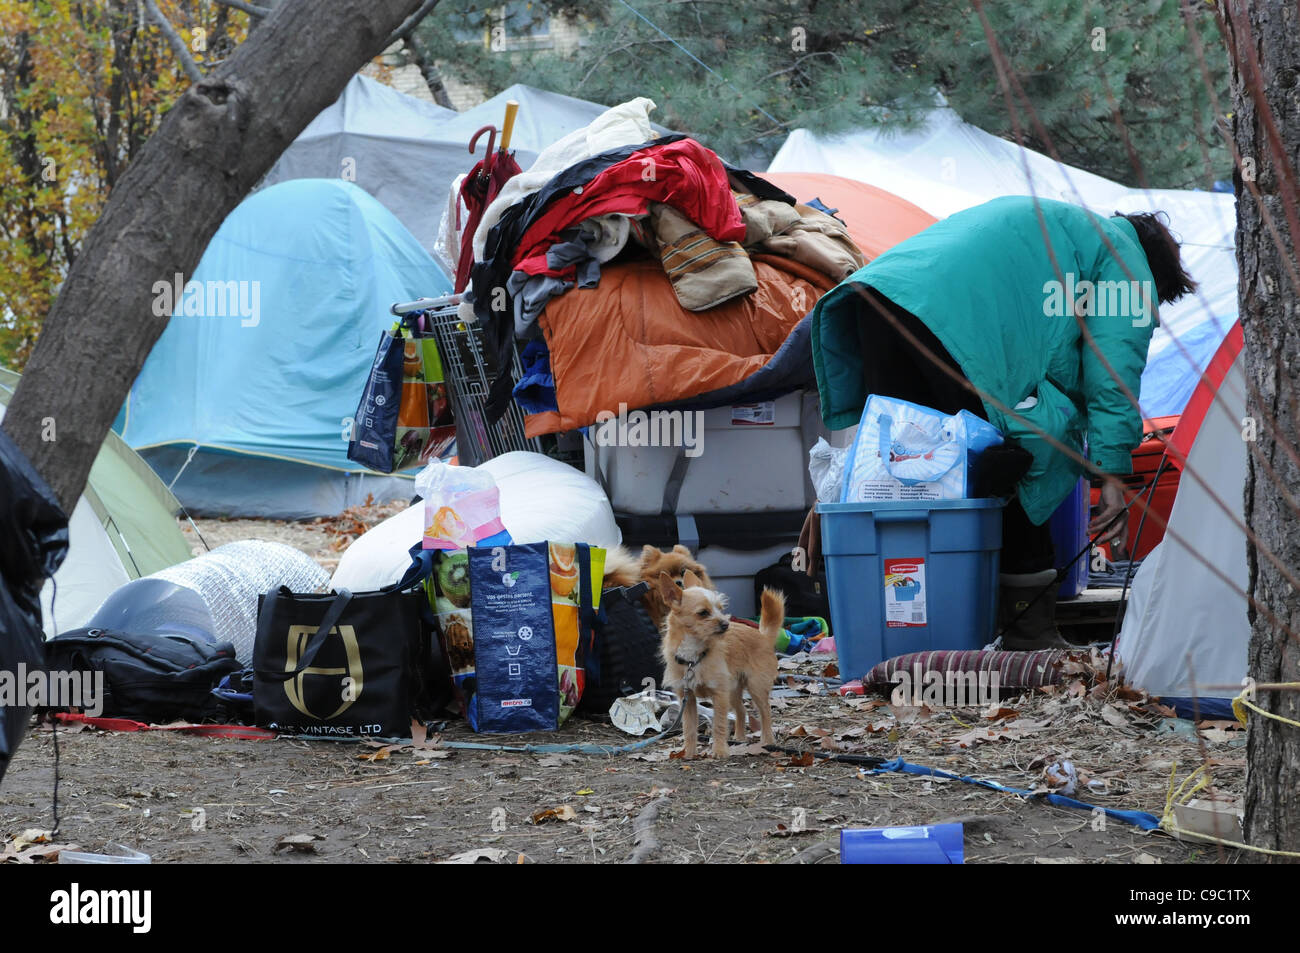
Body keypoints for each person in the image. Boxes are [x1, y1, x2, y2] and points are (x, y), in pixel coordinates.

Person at [810, 196, 1196, 650]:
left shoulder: (1065, 231)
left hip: (877, 299)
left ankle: (911, 635)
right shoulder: (1122, 261)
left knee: (911, 479)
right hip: (948, 324)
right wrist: (1112, 474)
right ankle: (1025, 631)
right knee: (1020, 459)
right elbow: (1113, 377)